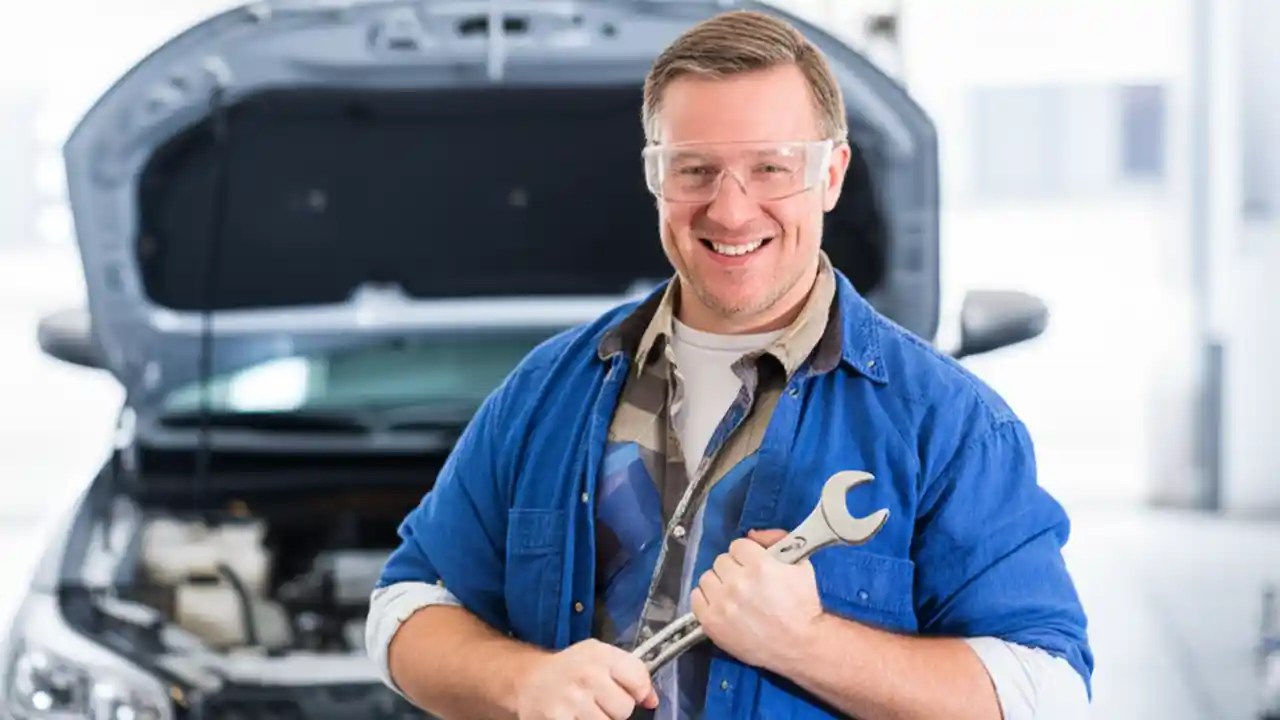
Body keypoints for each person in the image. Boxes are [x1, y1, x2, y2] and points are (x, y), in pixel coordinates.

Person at [366, 9, 1092, 720]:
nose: (732, 211)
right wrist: (522, 683)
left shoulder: (947, 424)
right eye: (696, 169)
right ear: (656, 176)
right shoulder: (547, 391)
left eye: (771, 168)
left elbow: (1047, 691)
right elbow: (405, 607)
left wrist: (809, 645)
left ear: (831, 174)